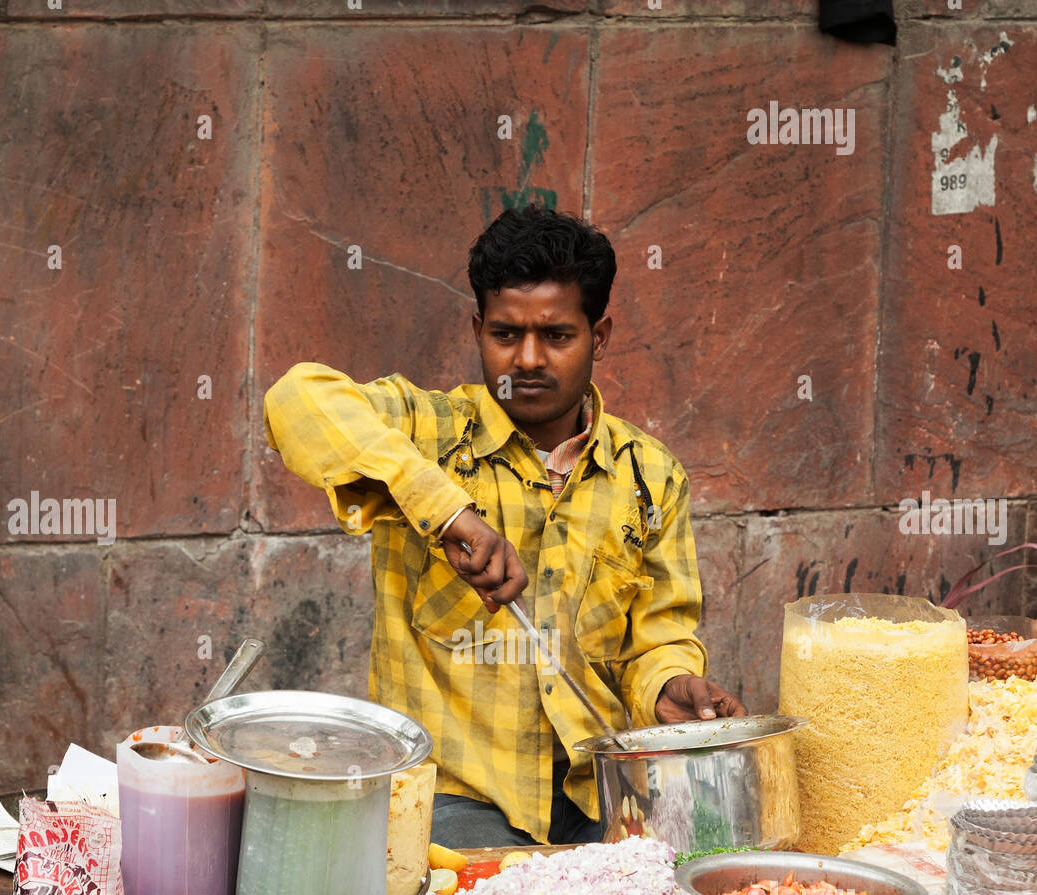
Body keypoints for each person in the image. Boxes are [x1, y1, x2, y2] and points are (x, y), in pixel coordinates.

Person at [264, 203, 745, 849]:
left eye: (557, 336)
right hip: (452, 793)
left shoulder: (649, 476)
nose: (527, 359)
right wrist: (442, 507)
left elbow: (659, 635)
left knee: (702, 874)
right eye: (504, 334)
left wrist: (666, 684)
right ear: (476, 330)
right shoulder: (426, 432)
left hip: (593, 784)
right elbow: (296, 399)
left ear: (598, 337)